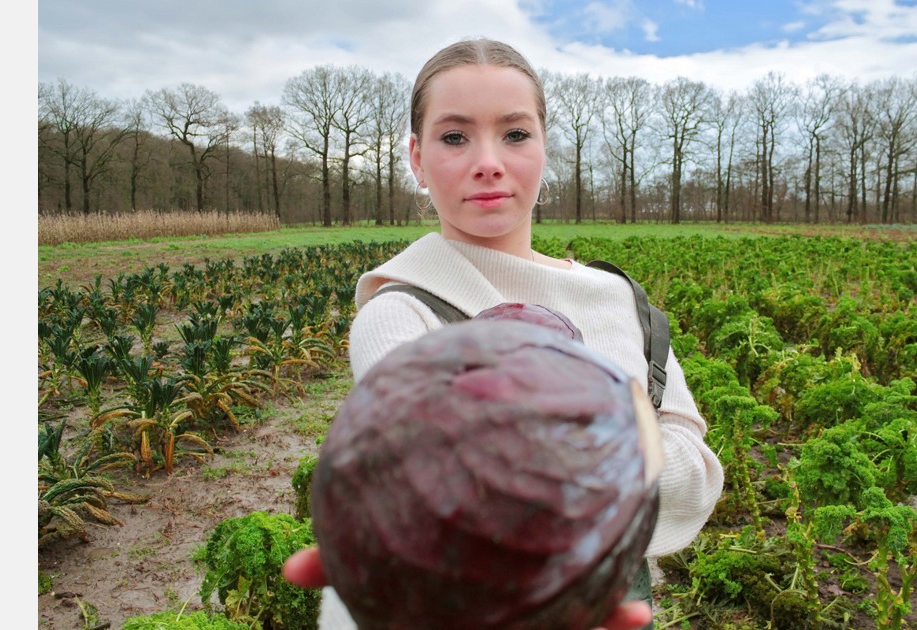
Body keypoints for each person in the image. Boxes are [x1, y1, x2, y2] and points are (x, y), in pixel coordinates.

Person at [284, 37, 724, 629]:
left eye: (515, 134)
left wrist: (534, 454)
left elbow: (694, 482)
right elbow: (430, 494)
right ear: (416, 157)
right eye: (455, 136)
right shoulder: (402, 309)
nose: (488, 160)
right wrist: (621, 432)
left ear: (544, 147)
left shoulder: (619, 298)